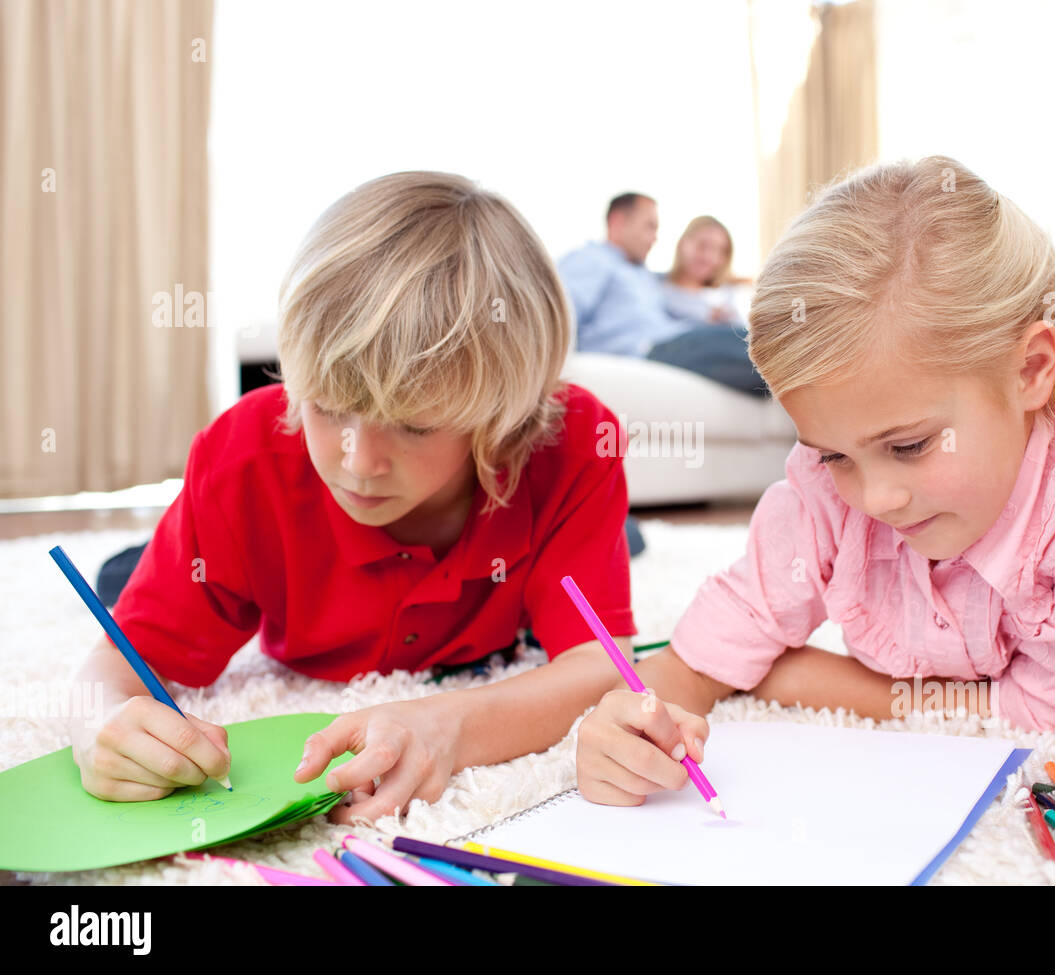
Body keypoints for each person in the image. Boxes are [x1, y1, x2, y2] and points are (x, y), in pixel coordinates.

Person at [575, 155, 1055, 807]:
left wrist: (814, 680)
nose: (874, 497)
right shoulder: (830, 483)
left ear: (1032, 369)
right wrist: (642, 711)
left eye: (908, 445)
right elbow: (728, 627)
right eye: (833, 455)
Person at [67, 171, 640, 825]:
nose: (358, 463)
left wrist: (444, 724)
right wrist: (100, 723)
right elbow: (115, 663)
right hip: (241, 533)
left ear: (502, 421)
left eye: (415, 425)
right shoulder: (242, 461)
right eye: (327, 407)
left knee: (620, 548)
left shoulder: (572, 443)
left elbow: (605, 663)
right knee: (126, 575)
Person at [557, 193, 767, 397]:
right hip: (650, 348)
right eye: (650, 226)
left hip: (672, 339)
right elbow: (560, 308)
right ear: (618, 221)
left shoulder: (641, 274)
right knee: (755, 346)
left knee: (755, 340)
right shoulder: (592, 258)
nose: (655, 237)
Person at [658, 216, 745, 330]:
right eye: (702, 245)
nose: (707, 257)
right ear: (682, 244)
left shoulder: (726, 297)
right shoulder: (655, 287)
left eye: (718, 250)